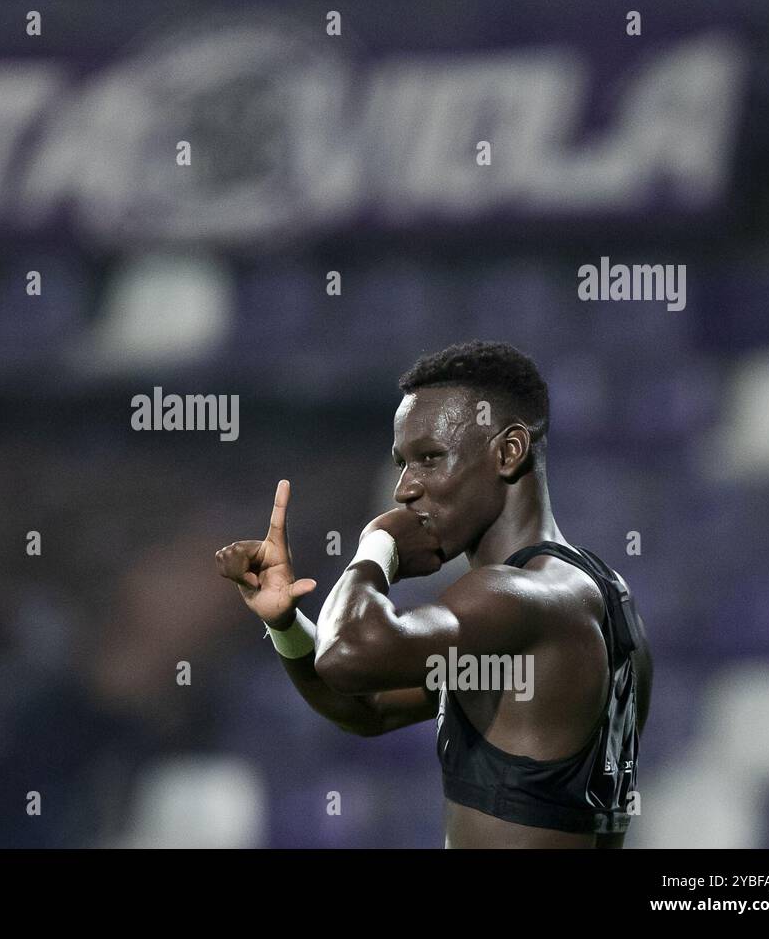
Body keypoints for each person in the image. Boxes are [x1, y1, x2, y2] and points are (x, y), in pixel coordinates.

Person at [216, 340, 653, 847]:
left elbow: (347, 655)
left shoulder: (516, 597)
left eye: (429, 458)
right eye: (402, 462)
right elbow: (370, 707)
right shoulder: (599, 592)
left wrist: (378, 546)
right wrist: (286, 622)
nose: (404, 488)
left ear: (509, 452)